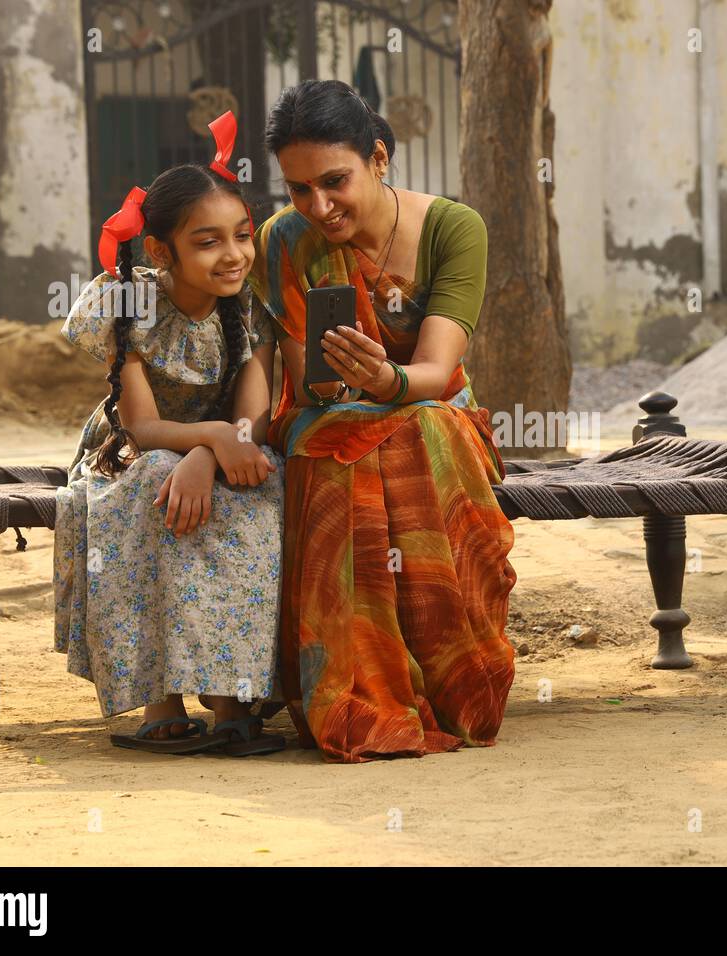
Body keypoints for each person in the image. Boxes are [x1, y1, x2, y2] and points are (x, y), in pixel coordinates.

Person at [248, 79, 517, 762]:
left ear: (379, 158)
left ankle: (454, 679)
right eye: (299, 190)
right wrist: (348, 385)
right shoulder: (284, 242)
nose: (319, 205)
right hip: (333, 417)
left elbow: (435, 368)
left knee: (418, 428)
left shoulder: (455, 229)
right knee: (337, 446)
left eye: (333, 180)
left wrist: (388, 381)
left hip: (434, 408)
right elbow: (307, 383)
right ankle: (359, 689)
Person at [53, 115, 287, 756]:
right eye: (208, 242)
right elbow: (143, 427)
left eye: (241, 235)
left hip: (225, 447)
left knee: (264, 489)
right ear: (161, 251)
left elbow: (252, 421)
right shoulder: (125, 305)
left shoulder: (252, 306)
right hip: (127, 455)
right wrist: (207, 442)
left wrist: (214, 453)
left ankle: (235, 692)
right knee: (154, 484)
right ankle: (161, 694)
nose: (234, 254)